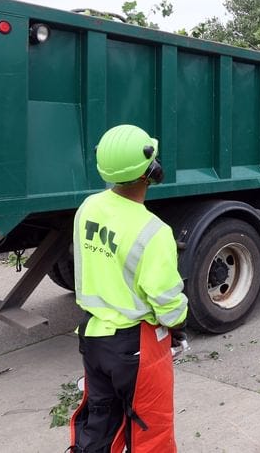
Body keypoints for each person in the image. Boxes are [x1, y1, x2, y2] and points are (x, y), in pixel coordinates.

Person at [68, 124, 188, 453]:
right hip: (135, 348)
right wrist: (178, 324)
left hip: (93, 339)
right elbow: (166, 301)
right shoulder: (154, 231)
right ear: (152, 172)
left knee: (100, 421)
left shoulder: (87, 208)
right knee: (150, 429)